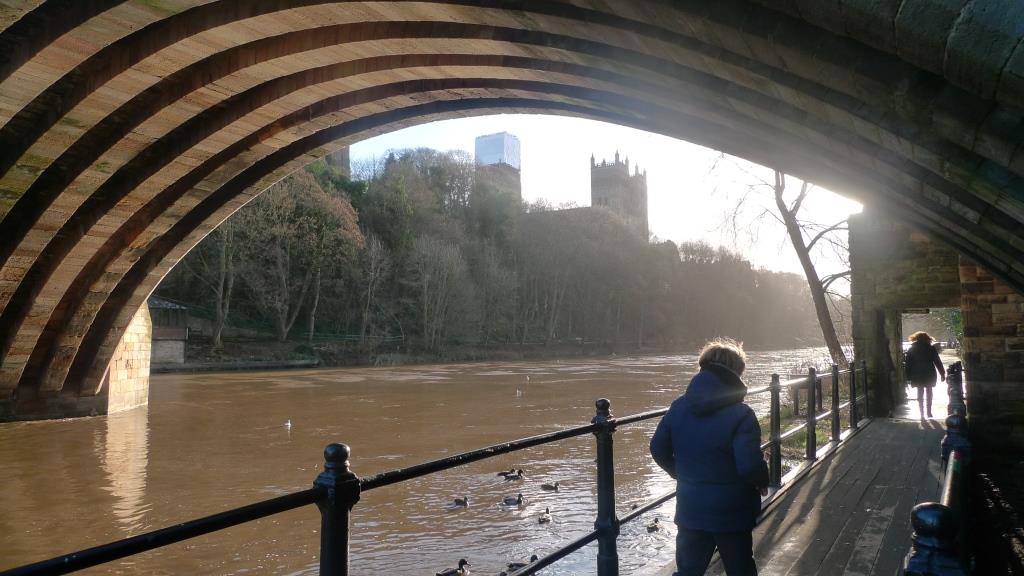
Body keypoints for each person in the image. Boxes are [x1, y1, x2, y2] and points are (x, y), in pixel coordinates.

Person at [650, 338, 768, 576]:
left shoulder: (679, 406)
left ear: (702, 368)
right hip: (732, 509)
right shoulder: (741, 414)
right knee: (741, 569)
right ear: (736, 373)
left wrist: (681, 473)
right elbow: (748, 465)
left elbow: (658, 449)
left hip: (691, 506)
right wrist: (763, 481)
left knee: (688, 571)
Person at [904, 331, 945, 418]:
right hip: (929, 372)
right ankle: (929, 412)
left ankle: (921, 413)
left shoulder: (912, 349)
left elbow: (908, 364)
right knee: (929, 391)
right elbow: (937, 362)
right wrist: (942, 374)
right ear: (927, 339)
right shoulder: (931, 348)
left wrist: (907, 377)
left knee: (920, 392)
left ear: (916, 339)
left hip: (916, 373)